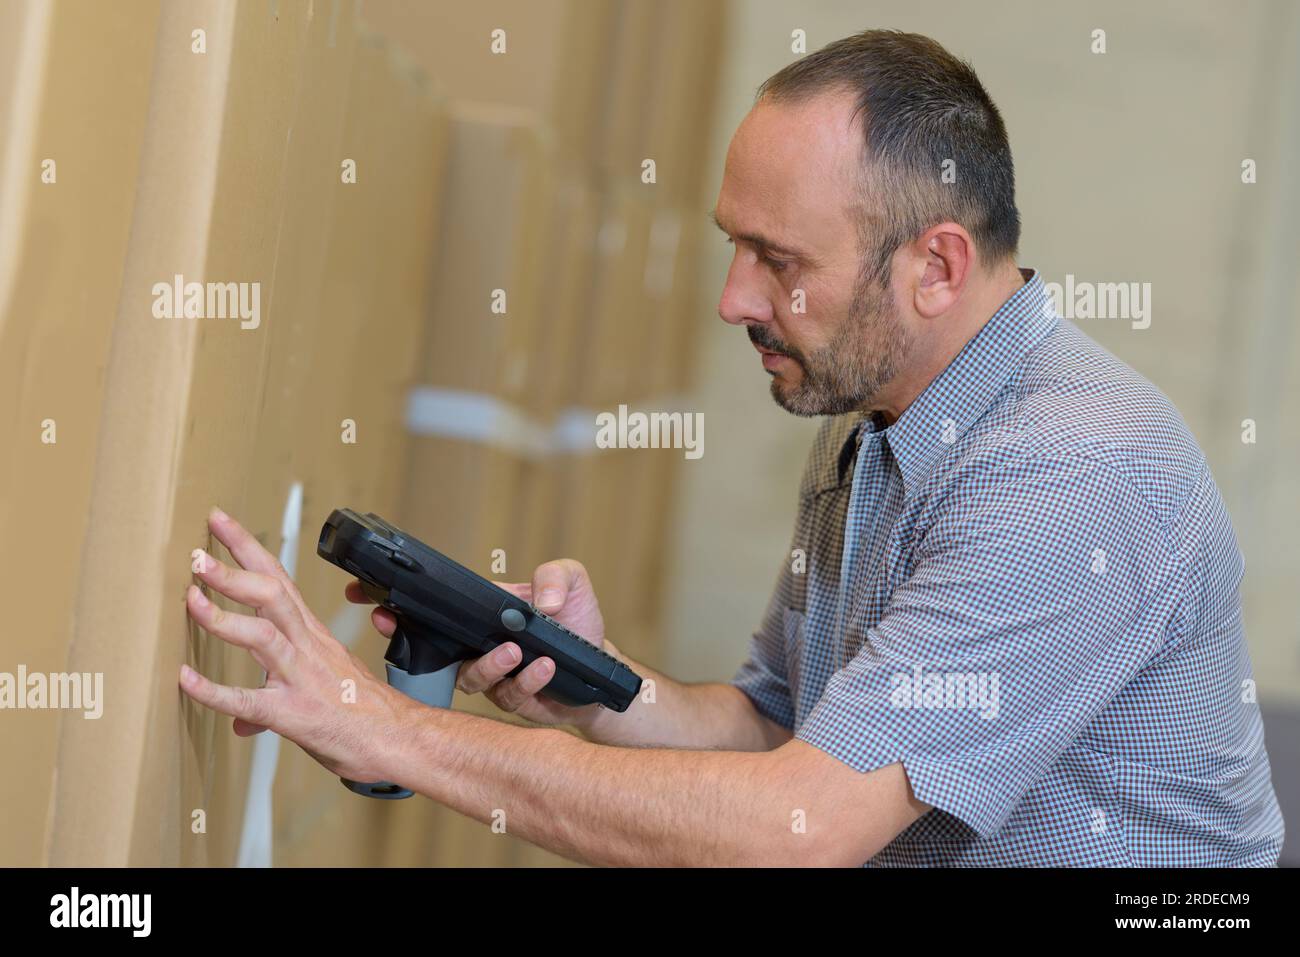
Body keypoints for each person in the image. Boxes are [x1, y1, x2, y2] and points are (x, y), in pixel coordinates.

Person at [180, 30, 1283, 866]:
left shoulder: (1072, 473)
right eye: (731, 247)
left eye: (777, 257)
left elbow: (798, 828)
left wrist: (393, 735)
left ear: (935, 269)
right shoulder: (878, 414)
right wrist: (591, 691)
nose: (733, 299)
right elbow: (774, 734)